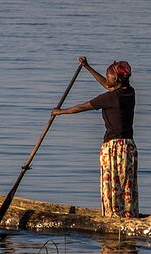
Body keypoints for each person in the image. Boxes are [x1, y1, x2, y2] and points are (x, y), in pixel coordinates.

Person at [51, 57, 139, 217]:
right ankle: (128, 214)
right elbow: (107, 85)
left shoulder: (109, 98)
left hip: (113, 148)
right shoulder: (130, 92)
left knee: (111, 184)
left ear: (116, 79)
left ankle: (113, 217)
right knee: (126, 184)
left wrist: (60, 112)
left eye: (109, 76)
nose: (107, 79)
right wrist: (87, 67)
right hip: (128, 147)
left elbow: (81, 107)